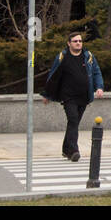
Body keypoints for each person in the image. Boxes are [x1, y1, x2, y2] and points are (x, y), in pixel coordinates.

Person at [43, 31, 105, 162]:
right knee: (73, 120)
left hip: (84, 96)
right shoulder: (62, 56)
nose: (78, 43)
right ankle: (74, 150)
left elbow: (96, 72)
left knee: (74, 123)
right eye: (75, 41)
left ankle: (66, 149)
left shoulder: (88, 56)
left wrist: (99, 87)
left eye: (80, 41)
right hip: (68, 96)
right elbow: (53, 75)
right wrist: (47, 94)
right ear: (69, 43)